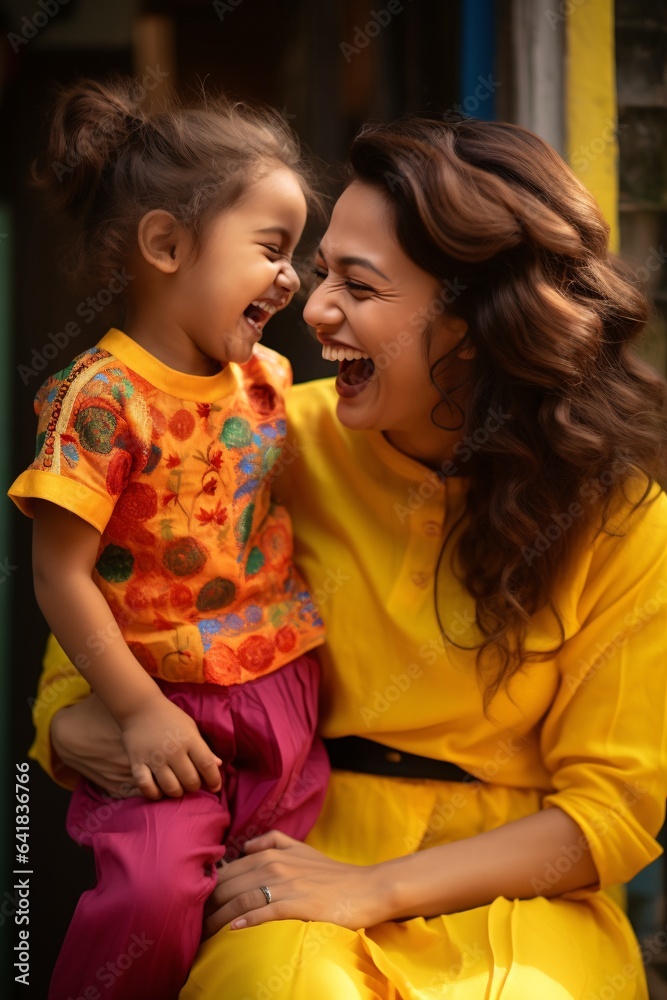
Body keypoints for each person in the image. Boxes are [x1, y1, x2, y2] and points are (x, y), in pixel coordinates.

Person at [31, 114, 667, 999]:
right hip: (283, 853)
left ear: (476, 323)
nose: (313, 307)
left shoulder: (619, 517)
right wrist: (77, 727)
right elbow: (97, 644)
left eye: (357, 285)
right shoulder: (260, 439)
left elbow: (611, 813)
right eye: (318, 268)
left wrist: (374, 889)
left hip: (518, 895)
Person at [9, 78, 330, 1000]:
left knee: (261, 917)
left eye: (294, 253)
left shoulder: (270, 381)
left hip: (283, 691)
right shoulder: (99, 399)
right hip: (160, 702)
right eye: (270, 248)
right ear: (166, 245)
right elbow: (58, 574)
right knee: (150, 901)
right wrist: (138, 709)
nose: (291, 277)